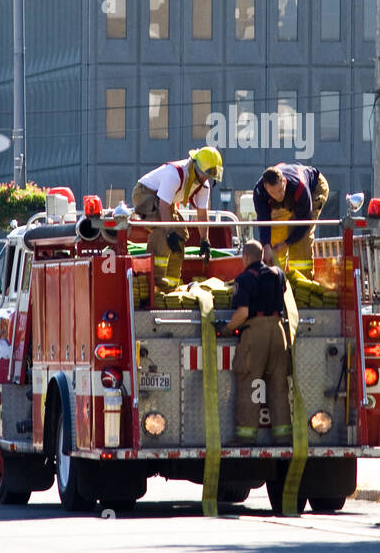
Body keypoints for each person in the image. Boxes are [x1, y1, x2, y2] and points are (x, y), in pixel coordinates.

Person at [222, 240, 292, 445]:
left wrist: (226, 329)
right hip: (279, 332)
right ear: (262, 256)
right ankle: (283, 437)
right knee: (279, 386)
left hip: (256, 333)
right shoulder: (278, 274)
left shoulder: (244, 279)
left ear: (245, 257)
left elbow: (242, 313)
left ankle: (245, 437)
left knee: (250, 384)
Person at [133, 147, 223, 288]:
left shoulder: (203, 185)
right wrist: (170, 233)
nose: (206, 178)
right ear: (195, 167)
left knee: (181, 233)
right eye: (205, 174)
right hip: (145, 194)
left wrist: (204, 240)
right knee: (163, 230)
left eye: (210, 175)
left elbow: (202, 213)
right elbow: (163, 206)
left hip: (166, 201)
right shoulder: (174, 174)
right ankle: (155, 280)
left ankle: (172, 282)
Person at [252, 163, 329, 273]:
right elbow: (264, 220)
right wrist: (266, 246)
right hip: (290, 198)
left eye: (280, 190)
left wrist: (286, 243)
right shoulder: (259, 192)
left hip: (314, 188)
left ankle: (302, 282)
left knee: (301, 241)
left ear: (284, 181)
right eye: (272, 192)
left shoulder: (300, 187)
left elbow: (304, 222)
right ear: (265, 187)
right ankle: (276, 277)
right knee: (275, 234)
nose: (278, 196)